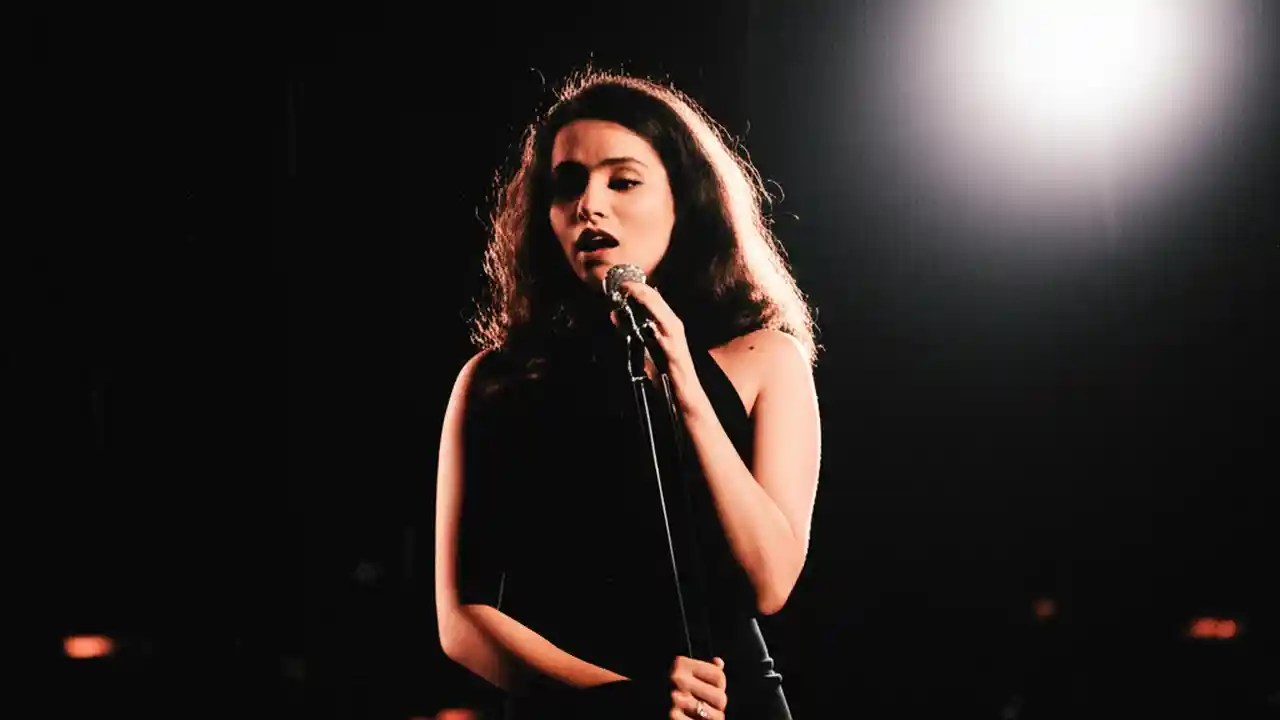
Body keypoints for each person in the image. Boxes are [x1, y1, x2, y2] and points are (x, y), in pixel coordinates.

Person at [434, 68, 821, 720]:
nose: (590, 204)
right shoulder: (496, 381)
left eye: (623, 180)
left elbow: (770, 580)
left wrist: (687, 386)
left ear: (684, 199)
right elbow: (462, 618)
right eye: (568, 184)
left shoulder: (764, 359)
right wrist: (623, 702)